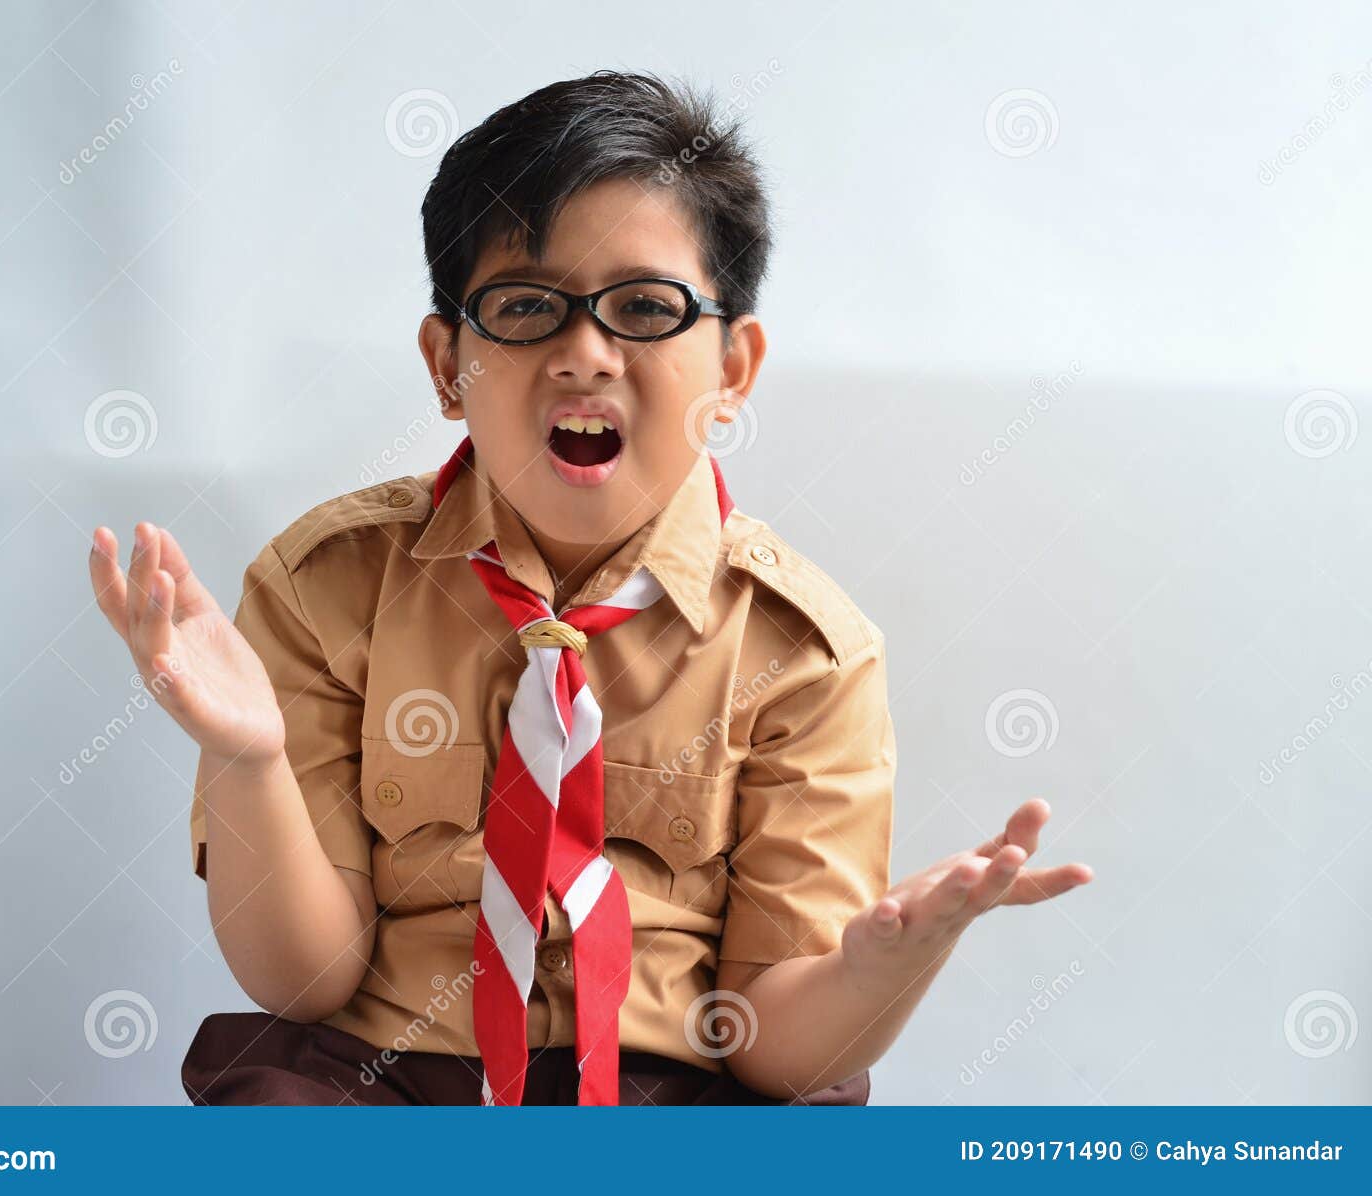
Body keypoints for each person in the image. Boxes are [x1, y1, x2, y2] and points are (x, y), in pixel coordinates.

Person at [86, 70, 1093, 1106]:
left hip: (676, 1094)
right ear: (446, 364)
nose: (584, 354)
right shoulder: (323, 588)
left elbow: (777, 1048)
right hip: (387, 1083)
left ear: (733, 368)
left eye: (646, 308)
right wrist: (247, 760)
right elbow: (304, 980)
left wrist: (883, 966)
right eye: (525, 306)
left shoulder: (805, 651)